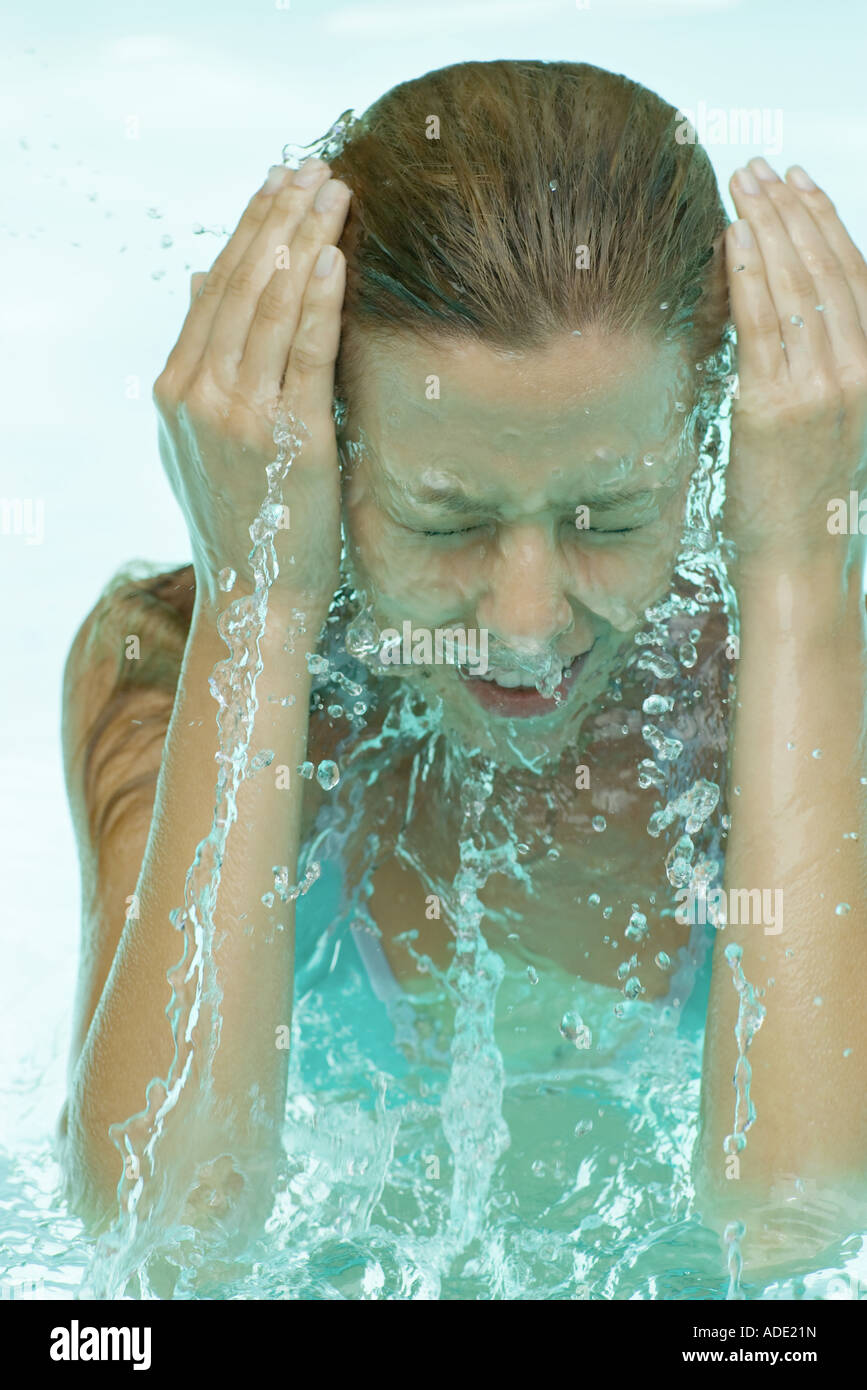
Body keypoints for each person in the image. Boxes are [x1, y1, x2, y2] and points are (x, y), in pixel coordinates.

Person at [58, 59, 867, 1254]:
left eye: (613, 516)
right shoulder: (174, 671)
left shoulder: (801, 693)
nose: (528, 620)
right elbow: (158, 1238)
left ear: (707, 445)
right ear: (329, 460)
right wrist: (259, 598)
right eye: (446, 521)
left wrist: (802, 575)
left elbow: (799, 1240)